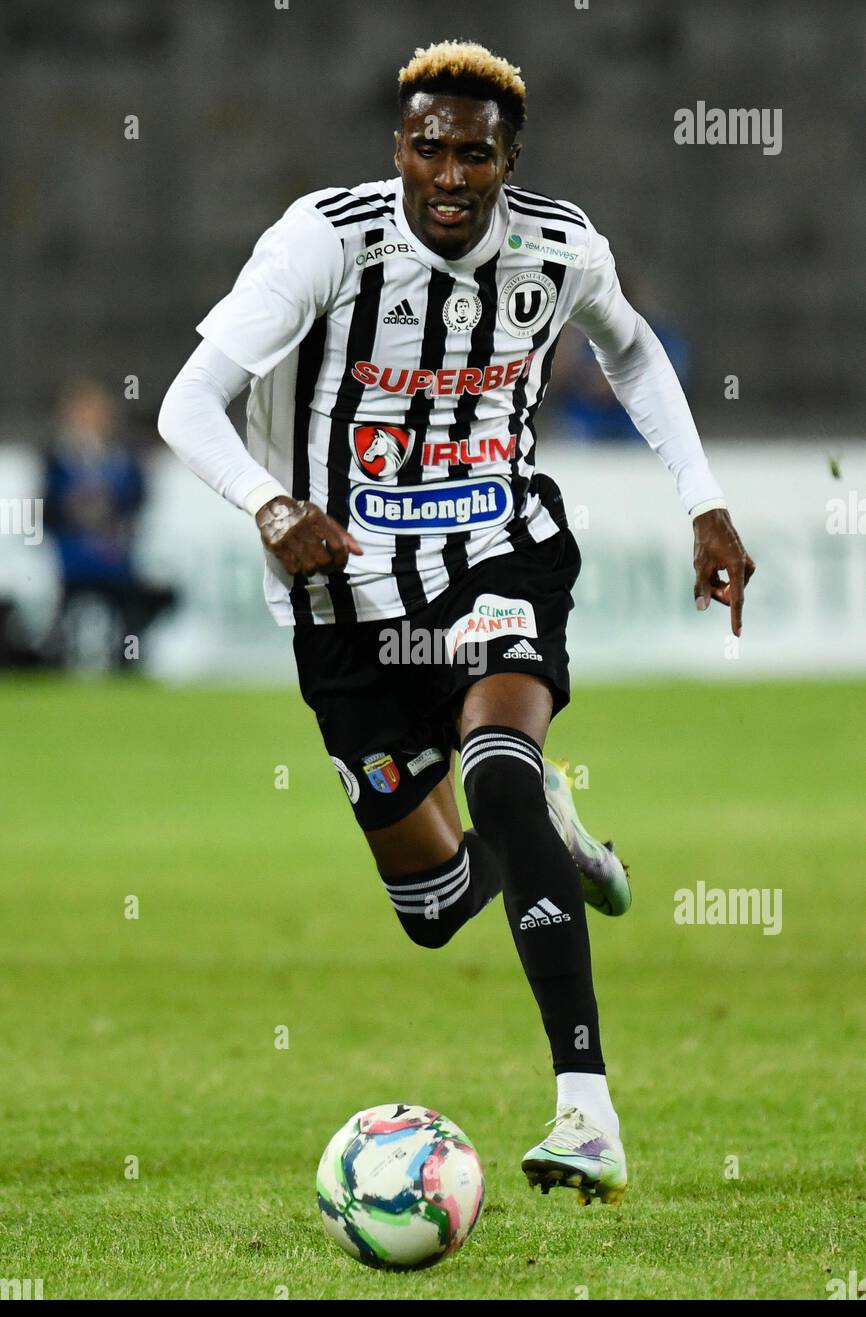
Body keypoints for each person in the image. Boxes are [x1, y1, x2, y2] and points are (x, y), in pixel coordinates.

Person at [158, 39, 755, 1206]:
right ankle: (548, 832)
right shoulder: (320, 243)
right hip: (341, 593)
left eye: (472, 154)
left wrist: (706, 502)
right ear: (398, 149)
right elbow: (188, 403)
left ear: (506, 161)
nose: (447, 172)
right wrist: (270, 503)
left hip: (499, 550)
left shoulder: (557, 247)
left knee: (494, 766)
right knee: (432, 910)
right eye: (425, 146)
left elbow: (630, 350)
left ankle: (584, 1108)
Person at [43, 380, 174, 670]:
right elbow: (47, 508)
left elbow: (138, 500)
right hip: (74, 560)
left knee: (133, 609)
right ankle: (59, 658)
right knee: (66, 615)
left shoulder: (122, 457)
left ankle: (125, 659)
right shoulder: (58, 458)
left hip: (115, 559)